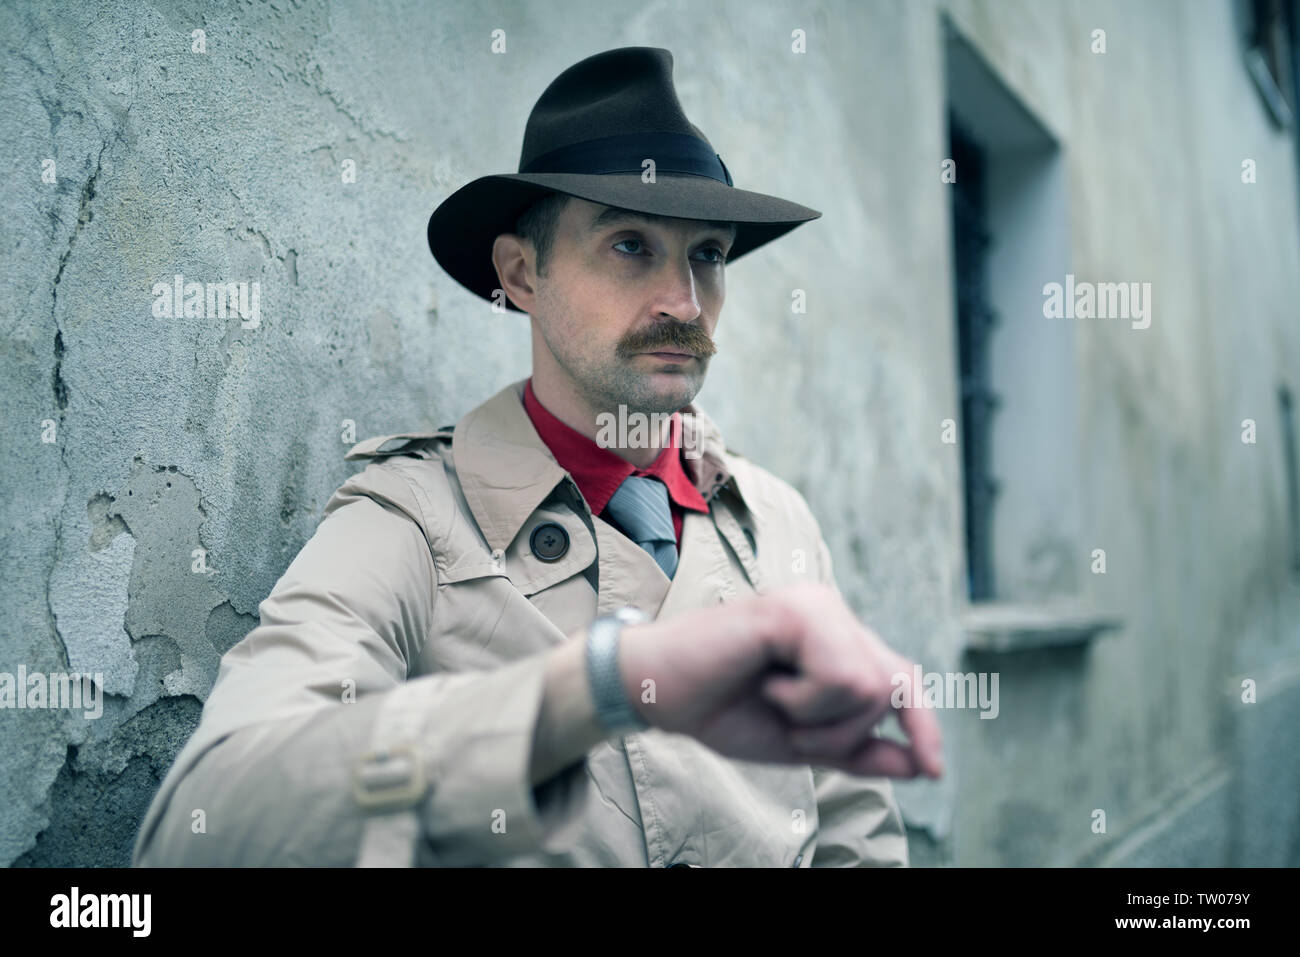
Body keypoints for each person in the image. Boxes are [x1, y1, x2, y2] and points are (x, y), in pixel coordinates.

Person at [132, 45, 942, 869]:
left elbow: (855, 836)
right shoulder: (411, 520)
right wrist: (591, 688)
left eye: (708, 253)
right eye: (631, 244)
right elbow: (203, 825)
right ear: (522, 273)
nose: (685, 301)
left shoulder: (776, 519)